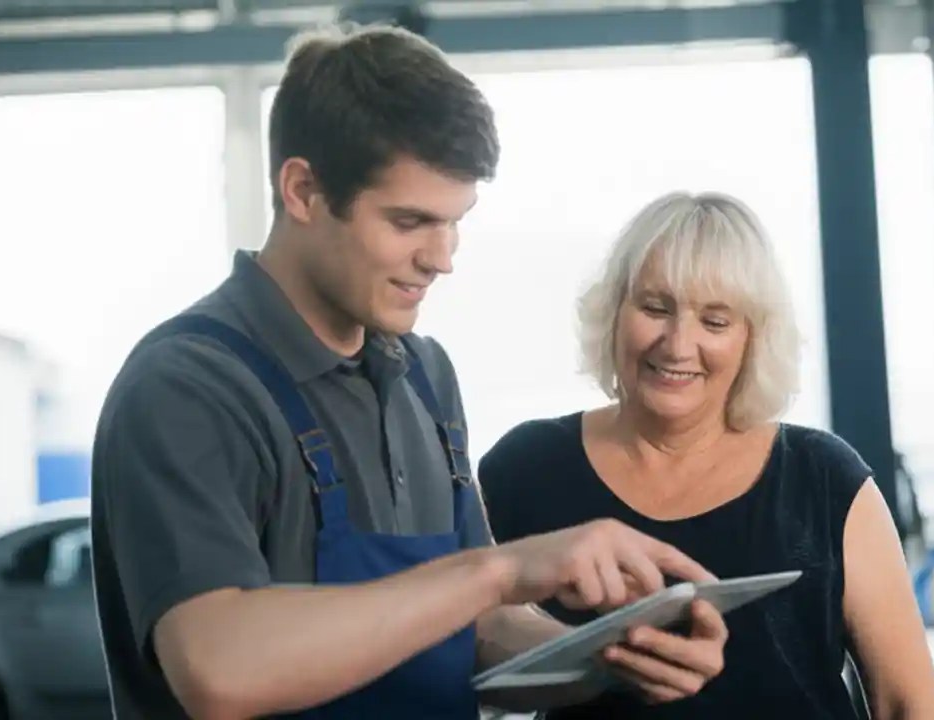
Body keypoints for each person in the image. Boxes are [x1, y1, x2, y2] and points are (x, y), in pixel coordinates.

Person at [90, 25, 730, 720]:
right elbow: (218, 670)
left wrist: (611, 659)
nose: (441, 258)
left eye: (455, 222)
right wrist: (503, 570)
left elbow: (478, 628)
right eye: (409, 221)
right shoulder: (187, 389)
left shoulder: (424, 376)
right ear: (303, 191)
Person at [479, 191, 934, 719]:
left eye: (716, 321)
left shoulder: (823, 479)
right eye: (655, 308)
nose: (678, 345)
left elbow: (909, 704)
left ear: (753, 338)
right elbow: (465, 648)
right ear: (614, 312)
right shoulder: (525, 469)